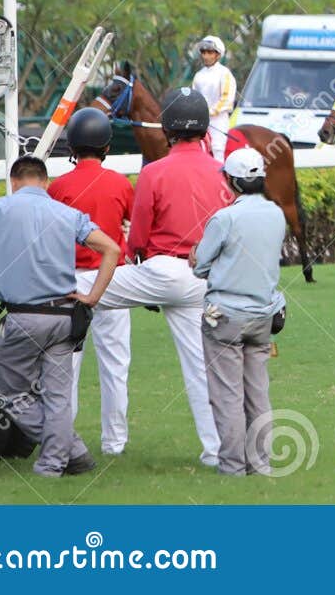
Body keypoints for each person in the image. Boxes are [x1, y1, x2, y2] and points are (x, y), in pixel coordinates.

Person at [0, 156, 121, 477]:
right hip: (65, 317)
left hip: (25, 318)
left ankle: (66, 452)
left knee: (10, 393)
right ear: (45, 183)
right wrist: (92, 298)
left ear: (14, 182)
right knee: (58, 397)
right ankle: (60, 461)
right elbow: (113, 249)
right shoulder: (68, 213)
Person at [95, 88, 228, 464]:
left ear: (167, 129)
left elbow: (136, 237)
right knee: (200, 370)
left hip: (161, 269)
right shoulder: (221, 171)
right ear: (204, 130)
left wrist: (140, 262)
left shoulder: (153, 171)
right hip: (205, 280)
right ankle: (216, 451)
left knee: (76, 291)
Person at [191, 147, 286, 476]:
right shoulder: (277, 214)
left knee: (227, 394)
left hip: (225, 316)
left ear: (231, 181)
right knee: (258, 391)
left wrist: (198, 257)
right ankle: (260, 463)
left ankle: (232, 465)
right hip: (263, 314)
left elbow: (200, 266)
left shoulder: (225, 217)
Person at [50, 108, 135, 456]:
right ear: (106, 146)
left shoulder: (57, 187)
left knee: (64, 366)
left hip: (69, 283)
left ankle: (64, 439)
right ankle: (114, 442)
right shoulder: (120, 184)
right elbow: (134, 228)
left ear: (72, 144)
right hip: (111, 279)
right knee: (115, 365)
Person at [192, 35, 237, 162]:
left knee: (217, 149)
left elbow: (227, 99)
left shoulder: (224, 73)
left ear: (218, 55)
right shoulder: (198, 75)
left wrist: (209, 112)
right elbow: (195, 97)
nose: (206, 56)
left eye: (210, 52)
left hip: (218, 120)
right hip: (200, 120)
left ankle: (219, 176)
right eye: (204, 52)